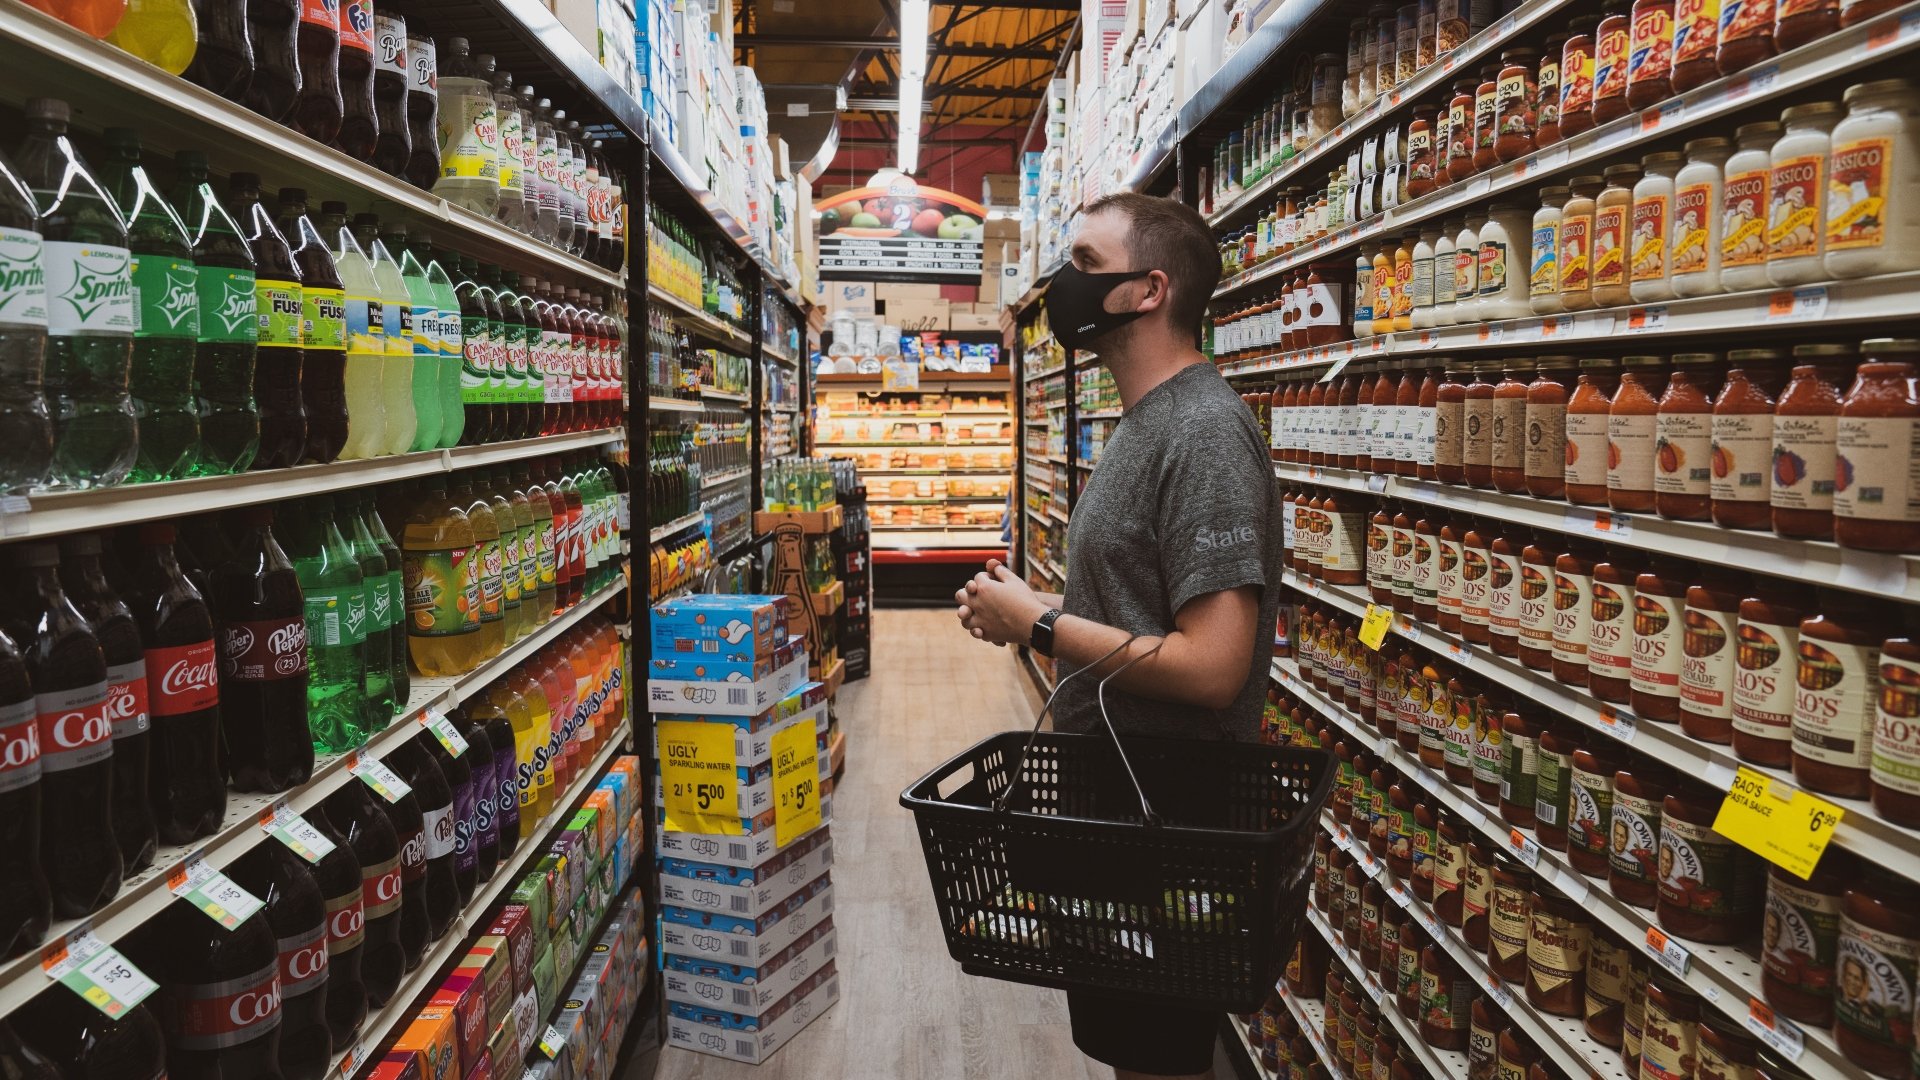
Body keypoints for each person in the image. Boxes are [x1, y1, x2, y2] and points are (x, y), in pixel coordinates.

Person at [953, 191, 1286, 1080]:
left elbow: (1216, 665)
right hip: (1122, 800)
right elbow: (1142, 608)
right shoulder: (1147, 423)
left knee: (1159, 1058)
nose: (1065, 284)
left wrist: (1045, 624)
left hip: (1169, 813)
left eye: (1086, 265)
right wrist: (1030, 608)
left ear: (1150, 290)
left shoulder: (1204, 431)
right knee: (1134, 1053)